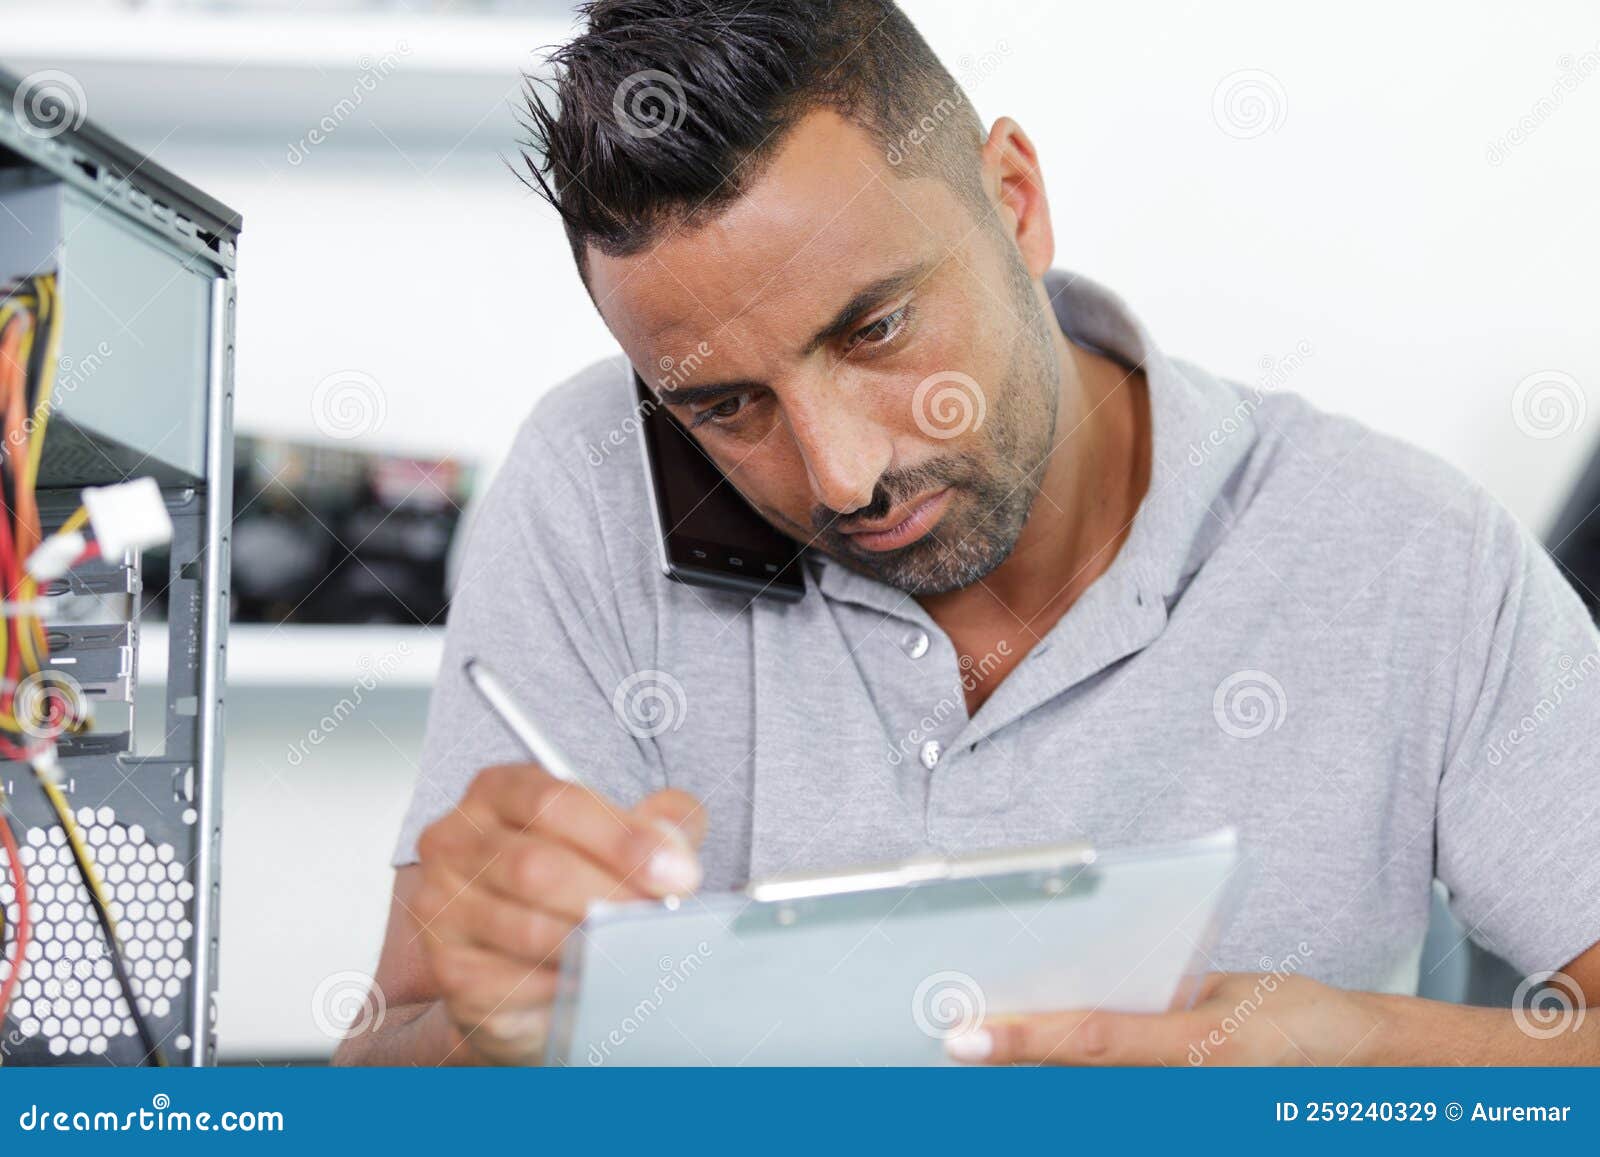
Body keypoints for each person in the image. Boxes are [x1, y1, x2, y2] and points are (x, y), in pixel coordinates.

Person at [335, 0, 1599, 1066]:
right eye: (726, 405)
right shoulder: (592, 480)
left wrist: (1367, 1056)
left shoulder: (1407, 549)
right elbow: (377, 1067)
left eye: (874, 329)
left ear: (1015, 199)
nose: (842, 474)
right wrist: (486, 1032)